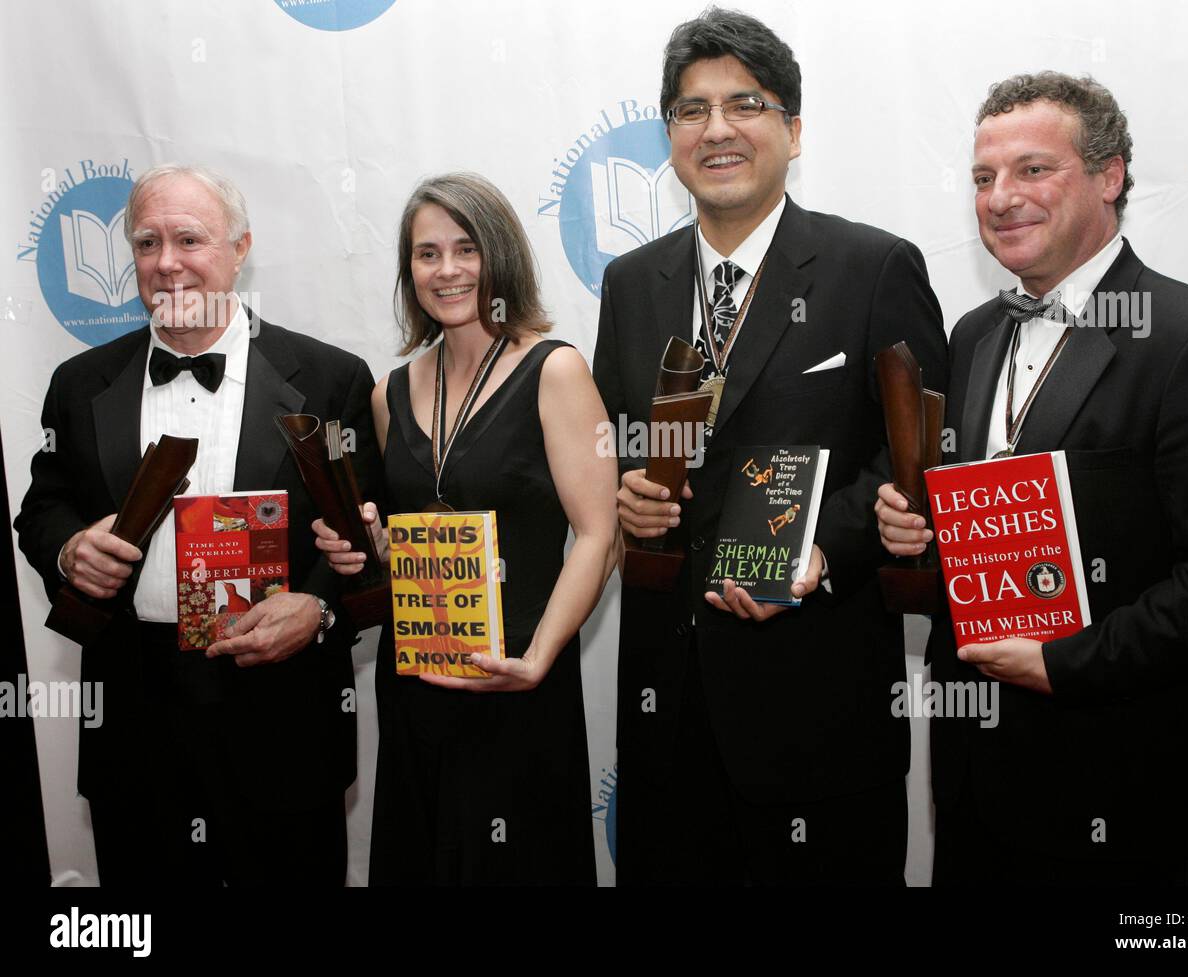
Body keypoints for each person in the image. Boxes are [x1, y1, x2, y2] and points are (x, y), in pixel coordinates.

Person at [877, 71, 1188, 884]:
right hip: (972, 789)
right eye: (983, 177)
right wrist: (918, 533)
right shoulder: (972, 333)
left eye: (1034, 170)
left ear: (1110, 177)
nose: (1001, 198)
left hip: (1123, 792)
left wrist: (1064, 663)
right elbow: (984, 521)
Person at [593, 8, 947, 884]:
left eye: (744, 104)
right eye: (690, 109)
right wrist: (625, 492)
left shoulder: (874, 267)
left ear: (793, 129)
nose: (716, 129)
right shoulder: (632, 283)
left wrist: (825, 549)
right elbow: (615, 439)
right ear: (670, 134)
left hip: (817, 703)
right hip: (665, 710)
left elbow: (918, 460)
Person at [14, 163, 382, 884]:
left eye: (190, 238)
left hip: (285, 716)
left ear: (240, 248)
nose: (167, 263)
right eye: (147, 243)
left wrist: (320, 610)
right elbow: (43, 507)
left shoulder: (332, 377)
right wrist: (67, 550)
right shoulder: (81, 383)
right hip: (134, 716)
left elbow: (371, 533)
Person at [312, 172, 616, 884]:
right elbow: (406, 537)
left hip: (518, 680)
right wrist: (371, 544)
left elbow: (599, 535)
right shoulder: (389, 393)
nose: (446, 270)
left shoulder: (556, 369)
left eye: (465, 248)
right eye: (426, 253)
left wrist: (538, 656)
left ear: (499, 256)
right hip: (417, 680)